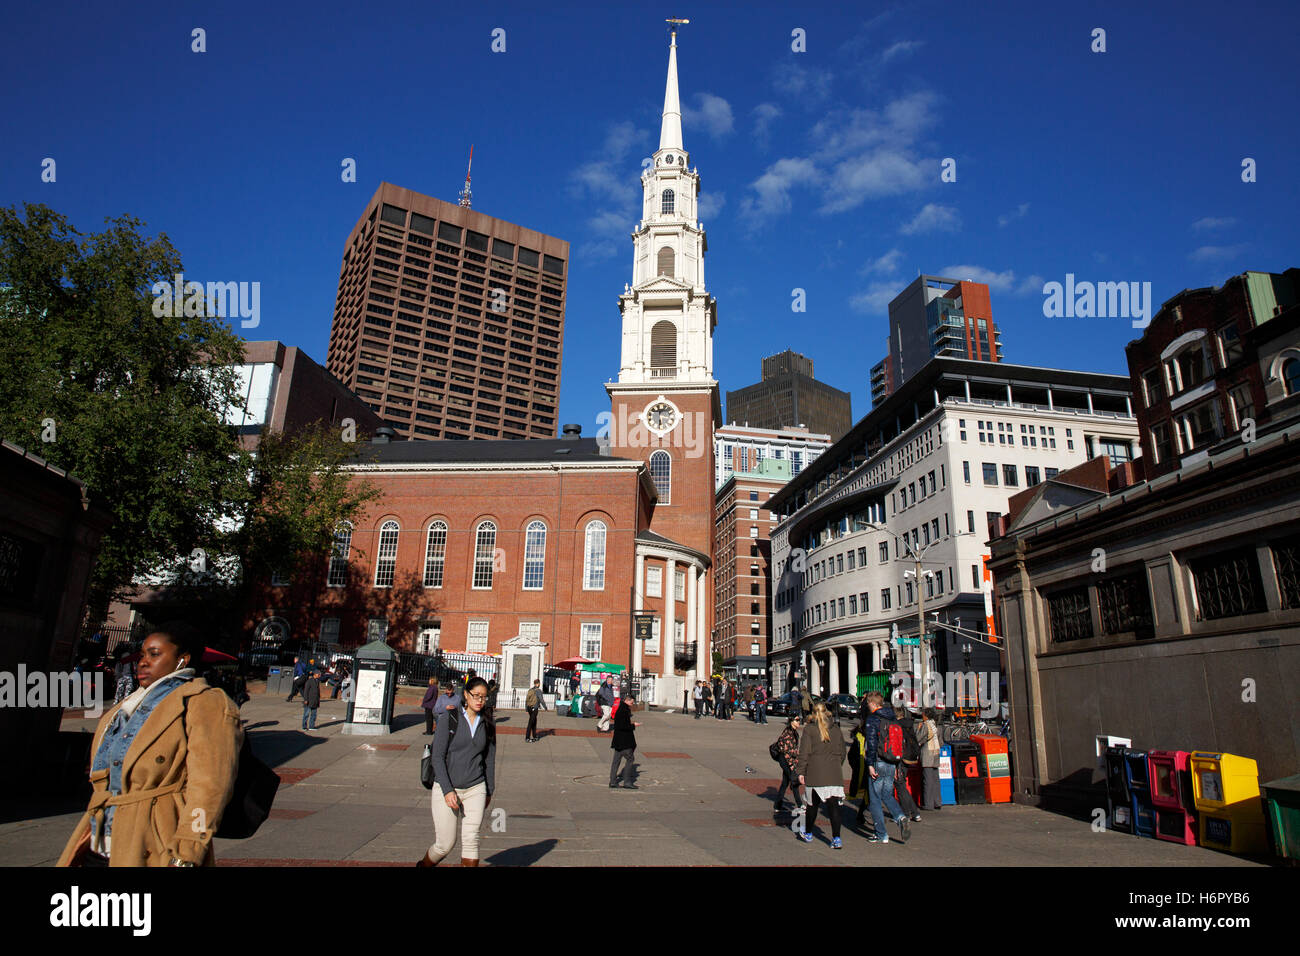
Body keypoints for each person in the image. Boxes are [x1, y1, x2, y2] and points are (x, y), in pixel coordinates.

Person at [57, 622, 242, 867]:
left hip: (155, 843)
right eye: (142, 655)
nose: (142, 662)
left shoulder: (203, 704)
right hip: (97, 839)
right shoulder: (124, 707)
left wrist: (188, 851)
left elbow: (210, 787)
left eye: (154, 654)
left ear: (182, 660)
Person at [419, 676, 496, 867]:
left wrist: (489, 790)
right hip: (447, 785)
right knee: (445, 845)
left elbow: (490, 759)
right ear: (466, 695)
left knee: (471, 840)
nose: (479, 700)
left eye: (484, 697)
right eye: (476, 695)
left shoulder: (487, 722)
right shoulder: (449, 719)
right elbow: (437, 757)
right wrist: (447, 790)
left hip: (475, 787)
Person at [796, 701, 848, 849]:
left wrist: (801, 771)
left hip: (815, 772)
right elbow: (843, 751)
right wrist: (837, 764)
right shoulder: (836, 729)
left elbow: (804, 752)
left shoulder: (810, 729)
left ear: (813, 713)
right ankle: (836, 838)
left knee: (812, 805)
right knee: (834, 807)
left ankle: (809, 832)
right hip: (834, 772)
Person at [861, 691, 910, 844]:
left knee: (874, 798)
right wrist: (896, 765)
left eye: (869, 703)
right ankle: (900, 816)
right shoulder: (892, 718)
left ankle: (881, 834)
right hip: (891, 761)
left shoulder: (873, 719)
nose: (868, 706)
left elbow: (871, 743)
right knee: (887, 794)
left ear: (873, 704)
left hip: (878, 760)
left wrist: (869, 764)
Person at [894, 707, 924, 823]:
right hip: (909, 757)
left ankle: (907, 813)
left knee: (900, 786)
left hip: (900, 758)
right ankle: (914, 813)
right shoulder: (909, 724)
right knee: (902, 785)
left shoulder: (897, 725)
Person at [608, 694, 641, 789]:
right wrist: (633, 725)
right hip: (624, 741)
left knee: (616, 761)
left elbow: (620, 724)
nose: (632, 703)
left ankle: (613, 781)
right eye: (632, 701)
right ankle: (627, 782)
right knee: (630, 759)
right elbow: (623, 726)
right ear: (627, 700)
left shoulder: (621, 708)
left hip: (618, 741)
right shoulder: (624, 710)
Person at [772, 715, 803, 814]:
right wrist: (795, 761)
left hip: (788, 760)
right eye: (797, 720)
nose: (799, 722)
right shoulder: (787, 733)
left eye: (799, 720)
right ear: (791, 721)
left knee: (785, 782)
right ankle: (800, 805)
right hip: (785, 760)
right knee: (794, 781)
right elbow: (788, 751)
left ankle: (777, 805)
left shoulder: (794, 732)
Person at [917, 708, 942, 811]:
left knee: (927, 780)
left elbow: (918, 737)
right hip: (936, 752)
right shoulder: (936, 725)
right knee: (935, 779)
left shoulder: (925, 725)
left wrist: (918, 729)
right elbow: (941, 742)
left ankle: (928, 804)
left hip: (927, 754)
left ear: (926, 715)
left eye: (922, 714)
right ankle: (937, 801)